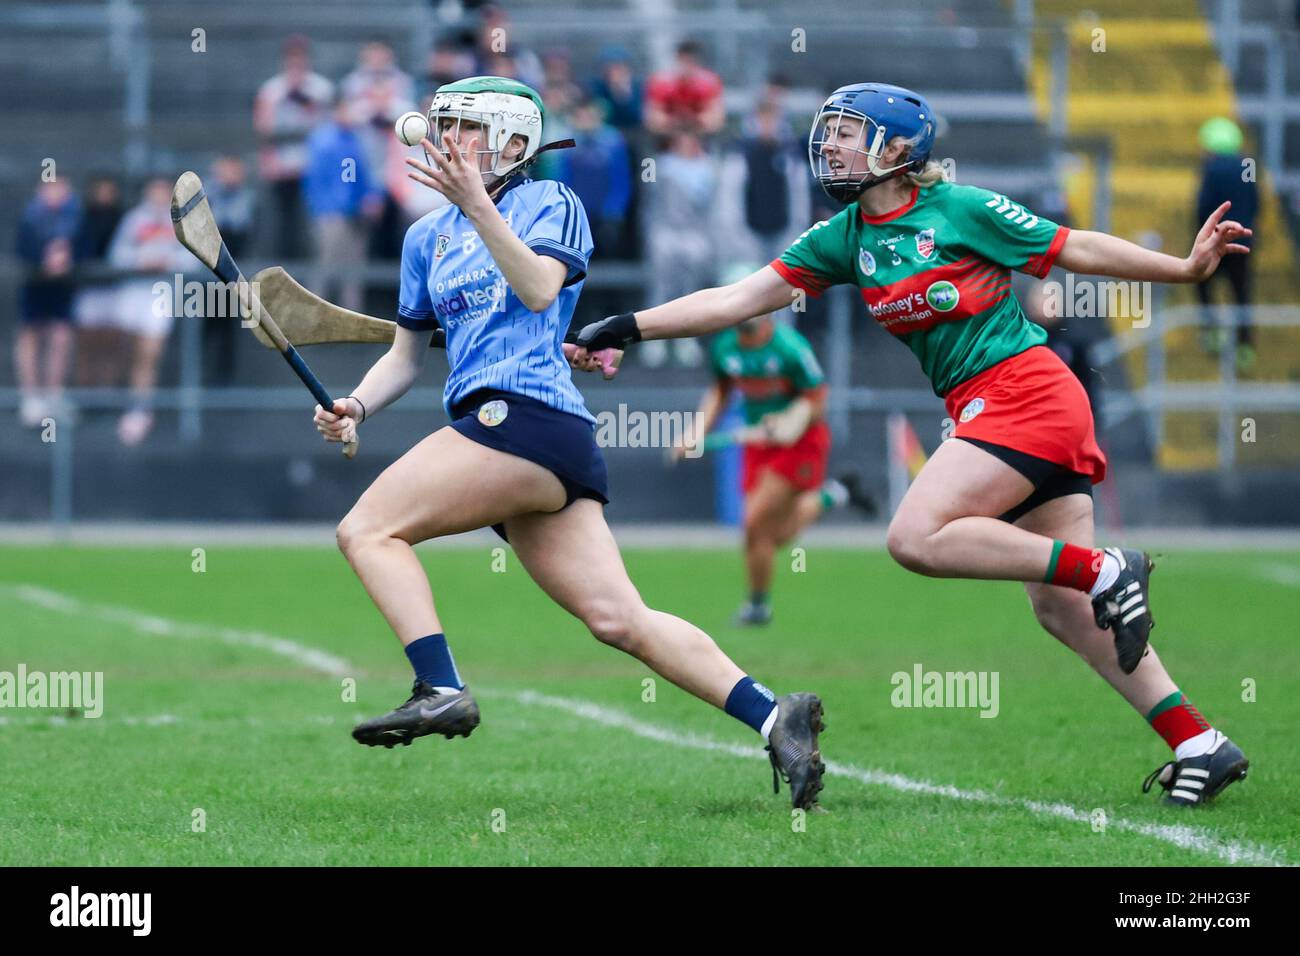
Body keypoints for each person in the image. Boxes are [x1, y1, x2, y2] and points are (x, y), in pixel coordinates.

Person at [574, 82, 1253, 808]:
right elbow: (736, 299)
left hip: (1027, 392)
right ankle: (1199, 741)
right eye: (828, 130)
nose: (828, 144)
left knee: (916, 536)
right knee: (1059, 608)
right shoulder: (845, 237)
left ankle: (1107, 567)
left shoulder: (960, 208)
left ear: (898, 151)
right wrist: (626, 325)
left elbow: (1073, 246)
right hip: (990, 406)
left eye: (846, 132)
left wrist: (1182, 271)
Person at [310, 76, 827, 811]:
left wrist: (479, 206)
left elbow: (539, 291)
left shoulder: (550, 203)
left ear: (514, 144)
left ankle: (442, 686)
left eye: (463, 127)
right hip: (517, 438)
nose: (443, 139)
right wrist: (356, 404)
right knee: (620, 620)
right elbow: (405, 356)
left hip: (526, 420)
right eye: (442, 125)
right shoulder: (426, 236)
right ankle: (778, 716)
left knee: (367, 529)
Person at [673, 278, 876, 626]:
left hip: (800, 444)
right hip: (758, 447)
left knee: (755, 524)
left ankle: (757, 606)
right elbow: (720, 392)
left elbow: (816, 400)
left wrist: (786, 421)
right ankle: (835, 494)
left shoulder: (789, 348)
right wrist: (695, 432)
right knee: (769, 534)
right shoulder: (725, 347)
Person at [106, 177, 195, 446]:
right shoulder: (133, 220)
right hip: (132, 294)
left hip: (161, 296)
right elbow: (116, 255)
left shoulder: (181, 223)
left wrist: (168, 261)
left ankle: (140, 410)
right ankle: (122, 403)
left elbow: (193, 259)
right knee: (129, 352)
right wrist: (140, 261)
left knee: (149, 353)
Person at [253, 35, 334, 259]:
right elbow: (263, 130)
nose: (296, 65)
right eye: (292, 60)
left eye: (301, 59)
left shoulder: (321, 90)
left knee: (309, 231)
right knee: (279, 230)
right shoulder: (272, 90)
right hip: (281, 170)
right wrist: (270, 165)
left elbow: (329, 130)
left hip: (312, 169)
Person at [303, 96, 385, 314]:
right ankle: (314, 317)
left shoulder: (355, 139)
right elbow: (327, 181)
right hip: (332, 214)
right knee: (328, 264)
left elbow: (361, 176)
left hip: (354, 213)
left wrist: (371, 198)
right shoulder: (324, 140)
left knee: (354, 267)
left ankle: (352, 316)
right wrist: (349, 206)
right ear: (339, 111)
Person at [15, 178, 81, 427]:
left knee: (61, 337)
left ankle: (54, 394)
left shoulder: (75, 219)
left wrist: (67, 257)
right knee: (31, 337)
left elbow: (84, 246)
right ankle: (31, 397)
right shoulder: (29, 219)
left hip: (62, 289)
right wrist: (44, 261)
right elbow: (22, 247)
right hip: (34, 286)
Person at [1193, 117, 1257, 371]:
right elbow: (1255, 203)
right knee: (1241, 292)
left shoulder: (1212, 168)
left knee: (1203, 282)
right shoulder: (1248, 165)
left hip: (1214, 239)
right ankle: (1245, 346)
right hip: (1242, 240)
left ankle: (1212, 332)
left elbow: (1203, 205)